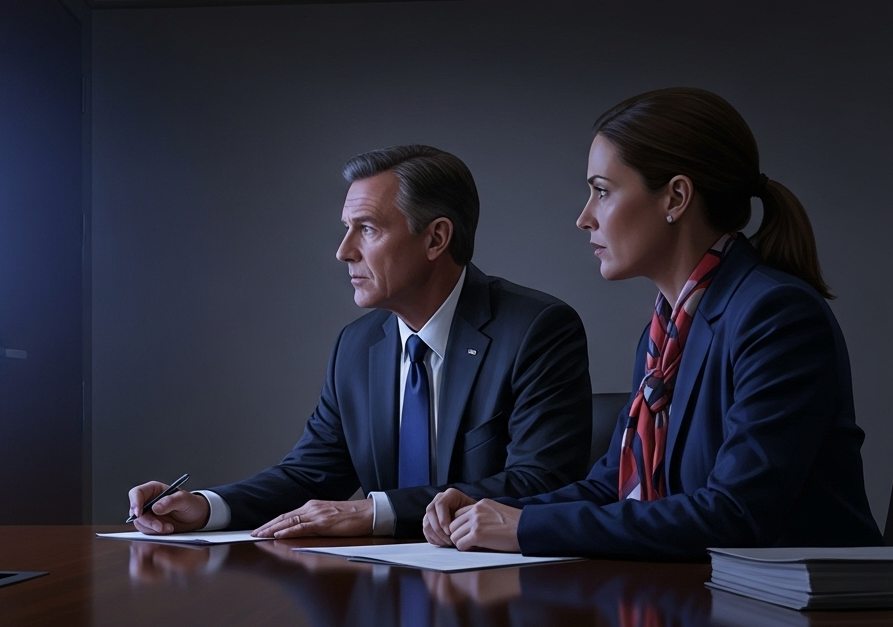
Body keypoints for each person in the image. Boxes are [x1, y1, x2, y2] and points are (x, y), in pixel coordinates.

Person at [425, 88, 882, 558]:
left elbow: (736, 513)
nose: (584, 218)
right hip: (697, 601)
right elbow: (611, 488)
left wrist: (525, 527)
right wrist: (487, 509)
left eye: (601, 191)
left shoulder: (776, 316)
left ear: (676, 197)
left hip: (803, 618)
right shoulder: (665, 331)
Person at [128, 145, 593, 539]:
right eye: (347, 229)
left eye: (367, 228)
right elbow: (309, 472)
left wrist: (373, 511)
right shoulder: (357, 346)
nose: (344, 250)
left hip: (502, 598)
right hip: (387, 589)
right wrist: (206, 507)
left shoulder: (537, 328)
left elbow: (540, 480)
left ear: (436, 238)